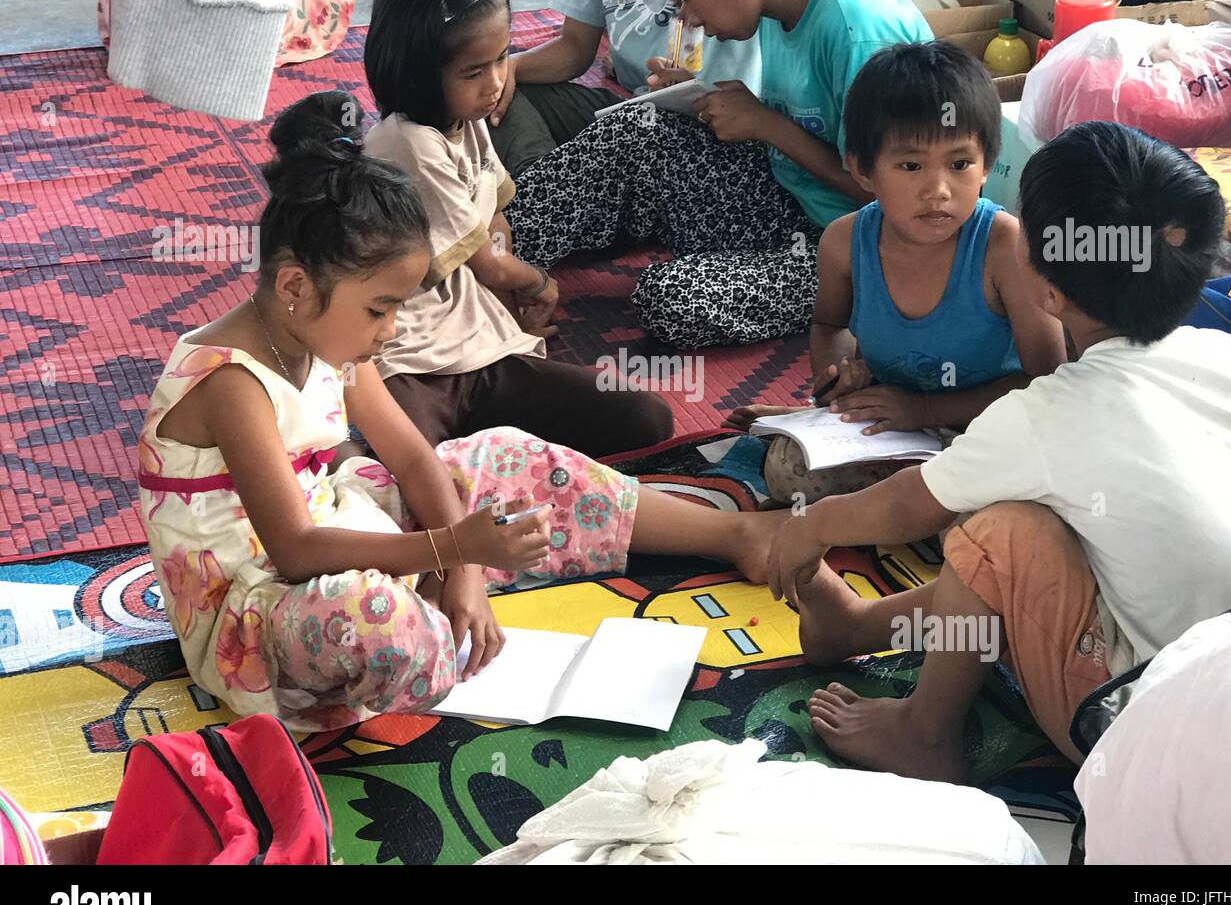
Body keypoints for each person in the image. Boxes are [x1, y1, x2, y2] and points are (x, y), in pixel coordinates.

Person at [137, 98, 786, 730]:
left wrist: (466, 569)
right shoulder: (231, 382)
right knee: (377, 621)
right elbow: (296, 550)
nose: (391, 331)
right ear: (295, 287)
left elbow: (417, 458)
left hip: (340, 524)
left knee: (503, 455)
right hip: (258, 617)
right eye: (379, 309)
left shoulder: (328, 339)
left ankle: (730, 535)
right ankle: (419, 620)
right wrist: (453, 546)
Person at [767, 121, 1231, 779]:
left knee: (1003, 529)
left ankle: (924, 731)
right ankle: (861, 626)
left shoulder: (1048, 413)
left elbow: (913, 503)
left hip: (1164, 744)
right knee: (1083, 519)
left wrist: (811, 525)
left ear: (1048, 291)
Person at [507, 0, 931, 349]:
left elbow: (898, 199)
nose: (687, 18)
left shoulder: (859, 32)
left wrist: (767, 125)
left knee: (672, 299)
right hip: (787, 198)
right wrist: (696, 97)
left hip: (862, 249)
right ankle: (495, 264)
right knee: (636, 128)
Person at [361, 0, 673, 458]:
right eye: (473, 71)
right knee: (404, 476)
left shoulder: (468, 118)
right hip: (414, 364)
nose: (495, 83)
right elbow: (487, 260)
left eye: (502, 59)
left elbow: (498, 220)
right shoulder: (407, 142)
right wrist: (539, 284)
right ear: (417, 73)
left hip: (485, 354)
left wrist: (510, 321)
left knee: (646, 418)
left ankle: (479, 448)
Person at [727, 42, 1066, 502]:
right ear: (863, 170)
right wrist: (839, 380)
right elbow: (830, 326)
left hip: (992, 432)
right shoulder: (845, 243)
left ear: (987, 164)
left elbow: (1046, 385)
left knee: (1008, 518)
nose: (939, 190)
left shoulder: (1005, 246)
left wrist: (925, 408)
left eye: (960, 164)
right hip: (897, 427)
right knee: (791, 471)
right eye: (910, 166)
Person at [488, 0, 877, 176]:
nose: (686, 16)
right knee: (492, 96)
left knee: (625, 165)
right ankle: (538, 185)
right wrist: (511, 68)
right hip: (656, 101)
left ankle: (542, 203)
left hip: (732, 116)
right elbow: (575, 47)